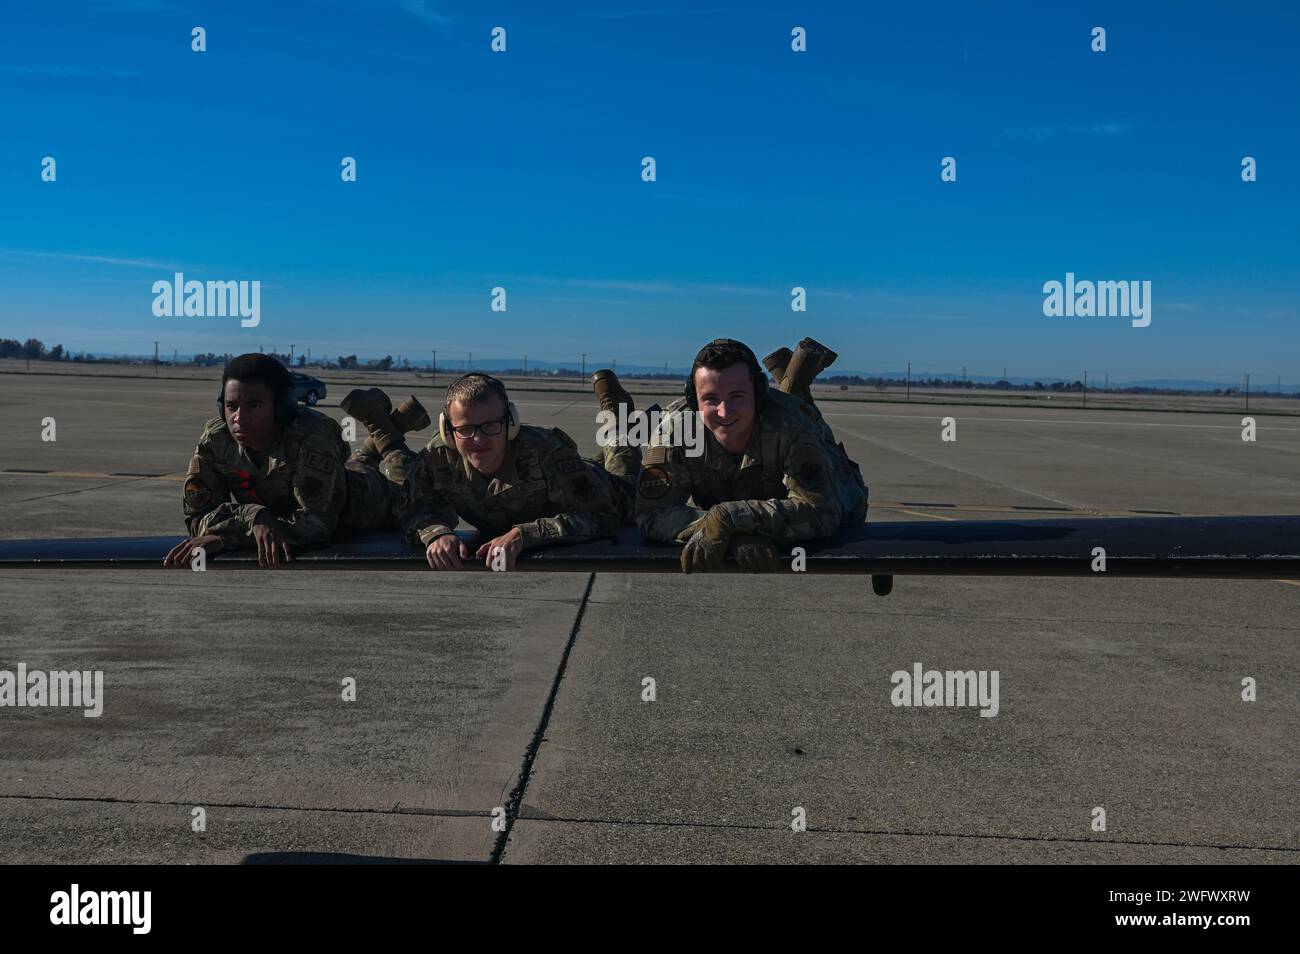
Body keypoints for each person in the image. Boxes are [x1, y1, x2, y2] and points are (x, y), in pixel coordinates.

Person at [350, 370, 641, 571]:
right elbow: (409, 509)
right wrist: (436, 533)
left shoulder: (546, 451)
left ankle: (617, 416)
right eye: (465, 429)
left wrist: (527, 533)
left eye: (491, 426)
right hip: (552, 496)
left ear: (511, 423)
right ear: (448, 431)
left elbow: (604, 516)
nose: (478, 440)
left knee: (622, 471)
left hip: (605, 492)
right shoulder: (438, 456)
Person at [635, 338, 868, 573]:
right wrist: (726, 532)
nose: (724, 412)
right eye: (711, 399)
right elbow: (652, 513)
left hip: (834, 488)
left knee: (850, 504)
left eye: (737, 396)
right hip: (757, 504)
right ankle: (791, 381)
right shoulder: (675, 429)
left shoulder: (794, 427)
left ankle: (796, 385)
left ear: (757, 394)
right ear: (694, 400)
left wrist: (732, 517)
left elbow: (821, 512)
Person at [164, 353, 406, 568]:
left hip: (369, 501)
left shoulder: (314, 433)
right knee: (354, 464)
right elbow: (198, 517)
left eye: (254, 405)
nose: (239, 417)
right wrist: (253, 516)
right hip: (332, 478)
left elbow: (319, 523)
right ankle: (382, 431)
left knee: (406, 489)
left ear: (281, 407)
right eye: (231, 406)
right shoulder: (217, 438)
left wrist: (229, 536)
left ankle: (384, 430)